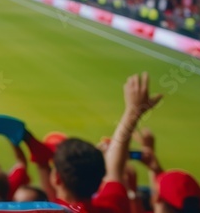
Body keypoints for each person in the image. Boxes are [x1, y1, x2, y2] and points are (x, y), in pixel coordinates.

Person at [49, 73, 162, 213]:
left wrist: (133, 112)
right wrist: (133, 112)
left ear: (56, 178)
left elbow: (115, 169)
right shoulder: (112, 206)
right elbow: (115, 169)